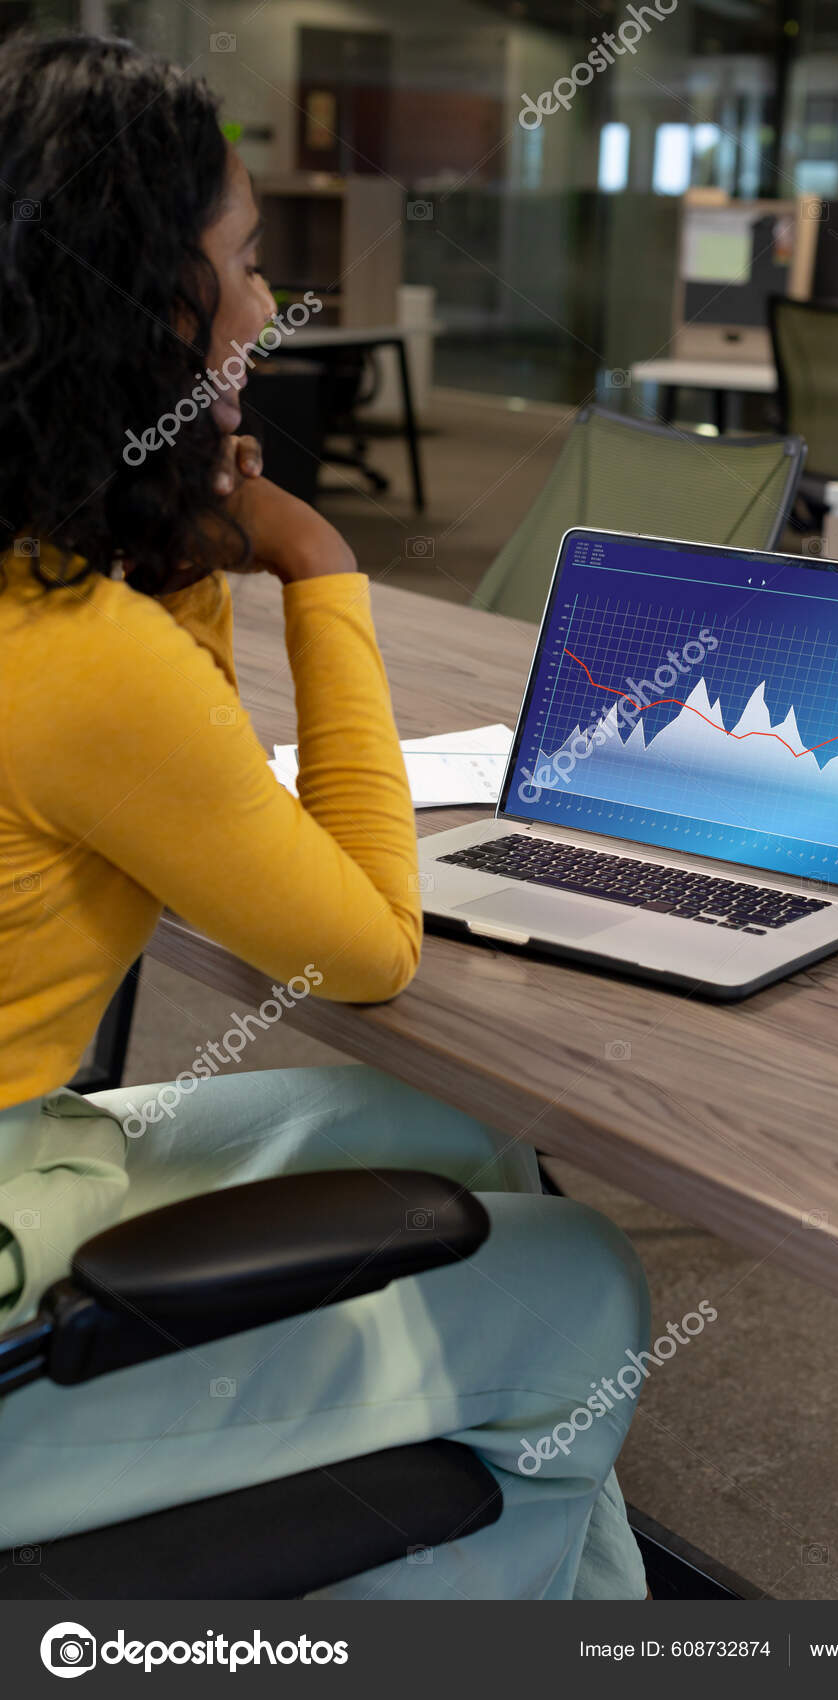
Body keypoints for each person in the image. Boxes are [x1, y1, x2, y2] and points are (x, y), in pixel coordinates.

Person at [0, 31, 650, 1600]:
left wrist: (176, 545)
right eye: (241, 265)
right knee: (593, 1289)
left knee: (463, 1140)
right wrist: (318, 569)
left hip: (35, 1144)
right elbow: (365, 946)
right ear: (152, 307)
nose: (266, 308)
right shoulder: (75, 655)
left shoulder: (49, 580)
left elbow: (185, 756)